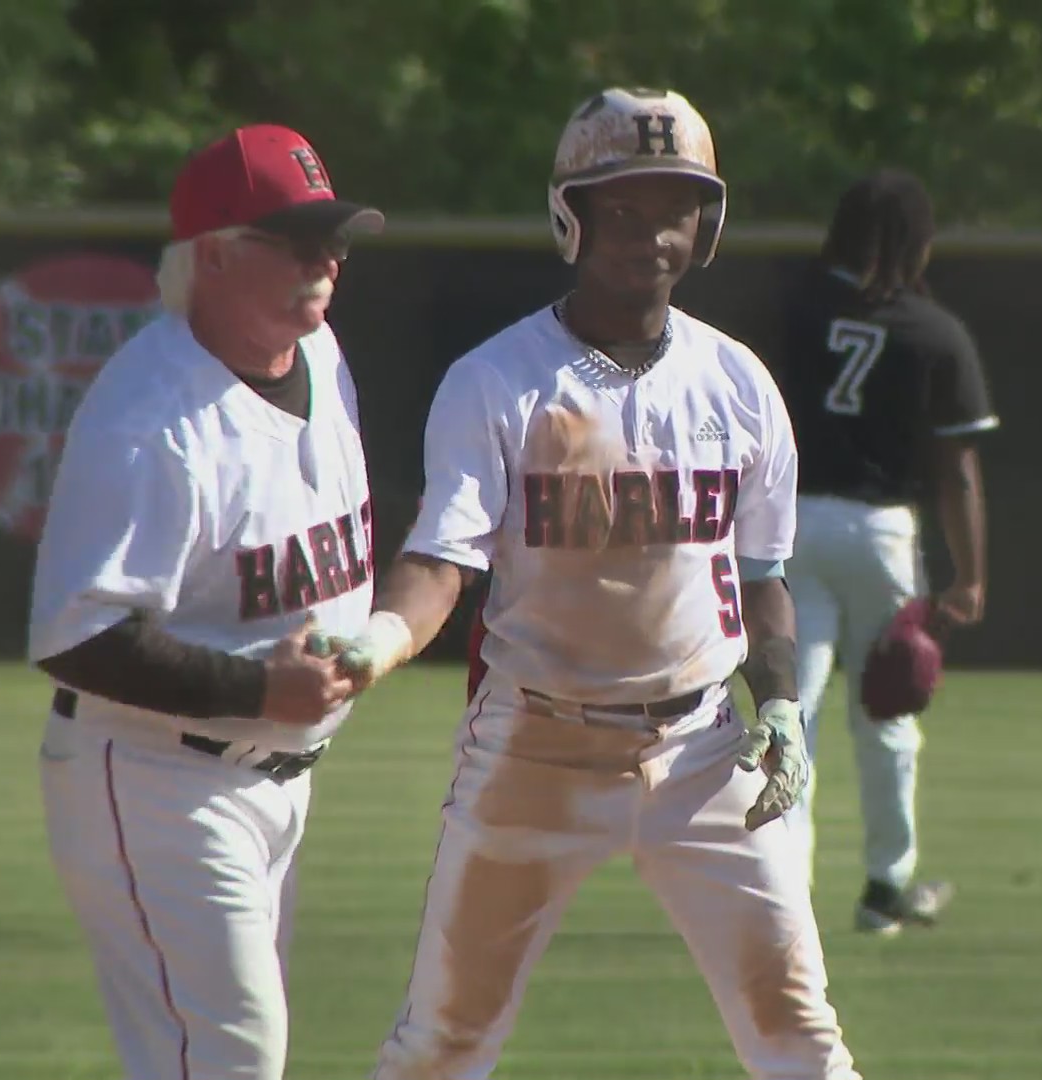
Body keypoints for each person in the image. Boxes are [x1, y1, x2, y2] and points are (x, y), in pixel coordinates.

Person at [333, 86, 862, 1080]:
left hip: (703, 746)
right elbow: (444, 559)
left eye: (676, 209)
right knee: (444, 1041)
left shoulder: (740, 383)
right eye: (622, 207)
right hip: (537, 743)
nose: (651, 234)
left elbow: (762, 575)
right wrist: (380, 639)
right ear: (569, 216)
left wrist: (784, 706)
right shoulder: (498, 381)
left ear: (707, 227)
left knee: (802, 1035)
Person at [26, 123, 385, 1080]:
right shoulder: (152, 419)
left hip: (275, 781)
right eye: (299, 242)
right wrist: (260, 690)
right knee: (229, 1060)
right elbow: (77, 635)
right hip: (159, 779)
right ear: (215, 255)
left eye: (335, 240)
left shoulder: (319, 354)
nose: (327, 262)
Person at [766, 168, 998, 933]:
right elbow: (957, 469)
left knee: (788, 712)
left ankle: (780, 894)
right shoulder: (934, 331)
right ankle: (885, 888)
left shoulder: (791, 310)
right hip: (881, 534)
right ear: (917, 243)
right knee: (889, 708)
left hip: (788, 527)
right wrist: (970, 576)